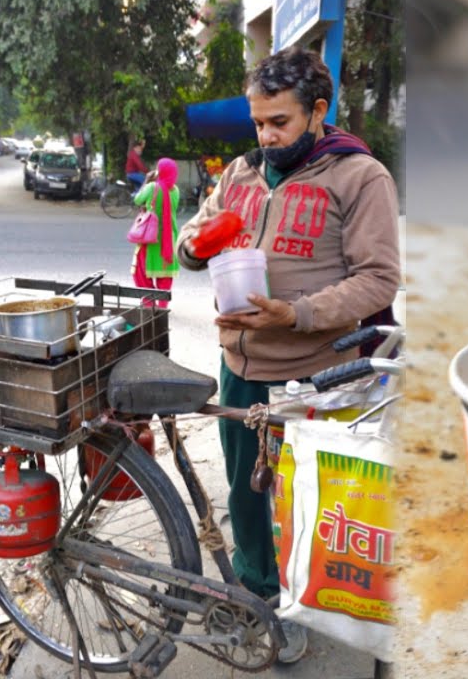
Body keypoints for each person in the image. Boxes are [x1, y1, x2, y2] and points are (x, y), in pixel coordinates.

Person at [175, 46, 401, 664]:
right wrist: (194, 245)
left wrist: (295, 314)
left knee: (303, 501)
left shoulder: (360, 177)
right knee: (246, 493)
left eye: (280, 122)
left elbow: (378, 279)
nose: (267, 137)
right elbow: (193, 239)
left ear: (318, 111)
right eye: (257, 124)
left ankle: (298, 604)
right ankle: (257, 593)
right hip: (242, 365)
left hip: (314, 375)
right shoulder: (240, 174)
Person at [130, 158, 179, 309]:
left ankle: (149, 303)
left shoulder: (152, 187)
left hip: (151, 237)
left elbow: (138, 200)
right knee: (165, 273)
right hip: (169, 237)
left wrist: (146, 180)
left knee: (140, 271)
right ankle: (162, 305)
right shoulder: (176, 190)